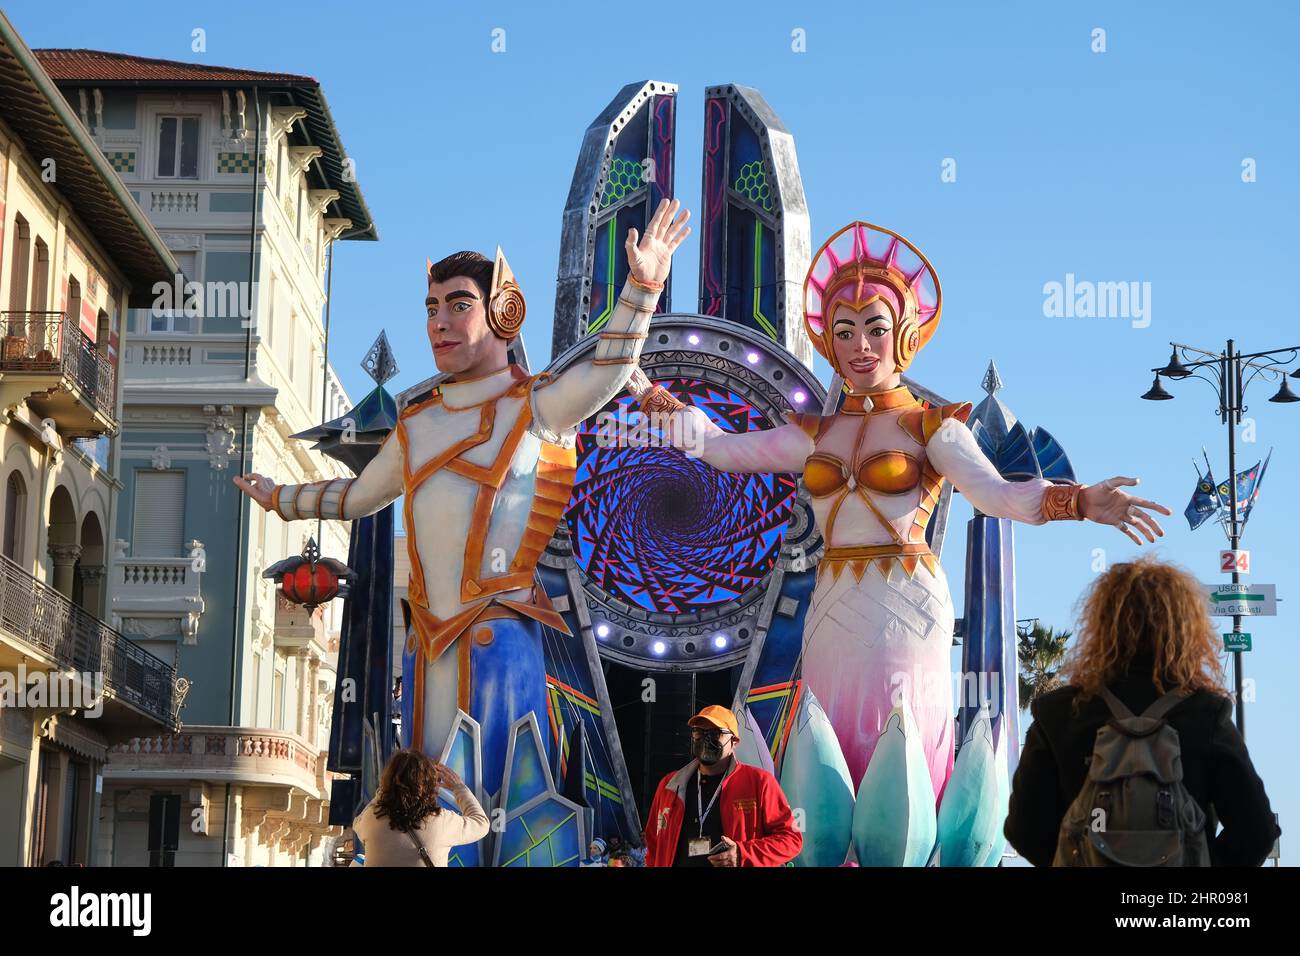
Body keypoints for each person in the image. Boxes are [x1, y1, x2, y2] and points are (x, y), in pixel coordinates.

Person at [627, 221, 1170, 864]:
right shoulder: (812, 433)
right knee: (826, 745)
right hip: (832, 606)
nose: (860, 345)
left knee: (902, 739)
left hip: (908, 603)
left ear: (904, 333)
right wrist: (637, 373)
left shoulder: (933, 428)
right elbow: (716, 448)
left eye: (875, 327)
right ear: (829, 341)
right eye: (845, 330)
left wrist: (1081, 503)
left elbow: (998, 495)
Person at [235, 199, 691, 813]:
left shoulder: (538, 406)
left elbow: (611, 365)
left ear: (504, 310)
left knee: (504, 811)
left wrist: (643, 284)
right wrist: (283, 499)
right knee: (425, 816)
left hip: (497, 642)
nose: (439, 322)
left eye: (458, 304)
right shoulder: (417, 424)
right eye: (431, 307)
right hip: (425, 649)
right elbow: (359, 494)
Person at [1004, 556, 1280, 866]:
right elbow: (1257, 832)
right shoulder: (1205, 713)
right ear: (1185, 631)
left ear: (1102, 626)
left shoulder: (1058, 713)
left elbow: (1024, 830)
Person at [642, 705, 802, 867]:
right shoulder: (670, 785)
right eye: (699, 732)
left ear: (734, 742)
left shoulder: (759, 782)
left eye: (715, 733)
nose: (705, 739)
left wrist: (742, 854)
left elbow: (791, 839)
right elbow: (653, 845)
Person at [352, 748, 489, 867]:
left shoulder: (371, 819)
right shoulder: (442, 822)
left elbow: (356, 824)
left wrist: (385, 790)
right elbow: (481, 823)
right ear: (430, 784)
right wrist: (459, 788)